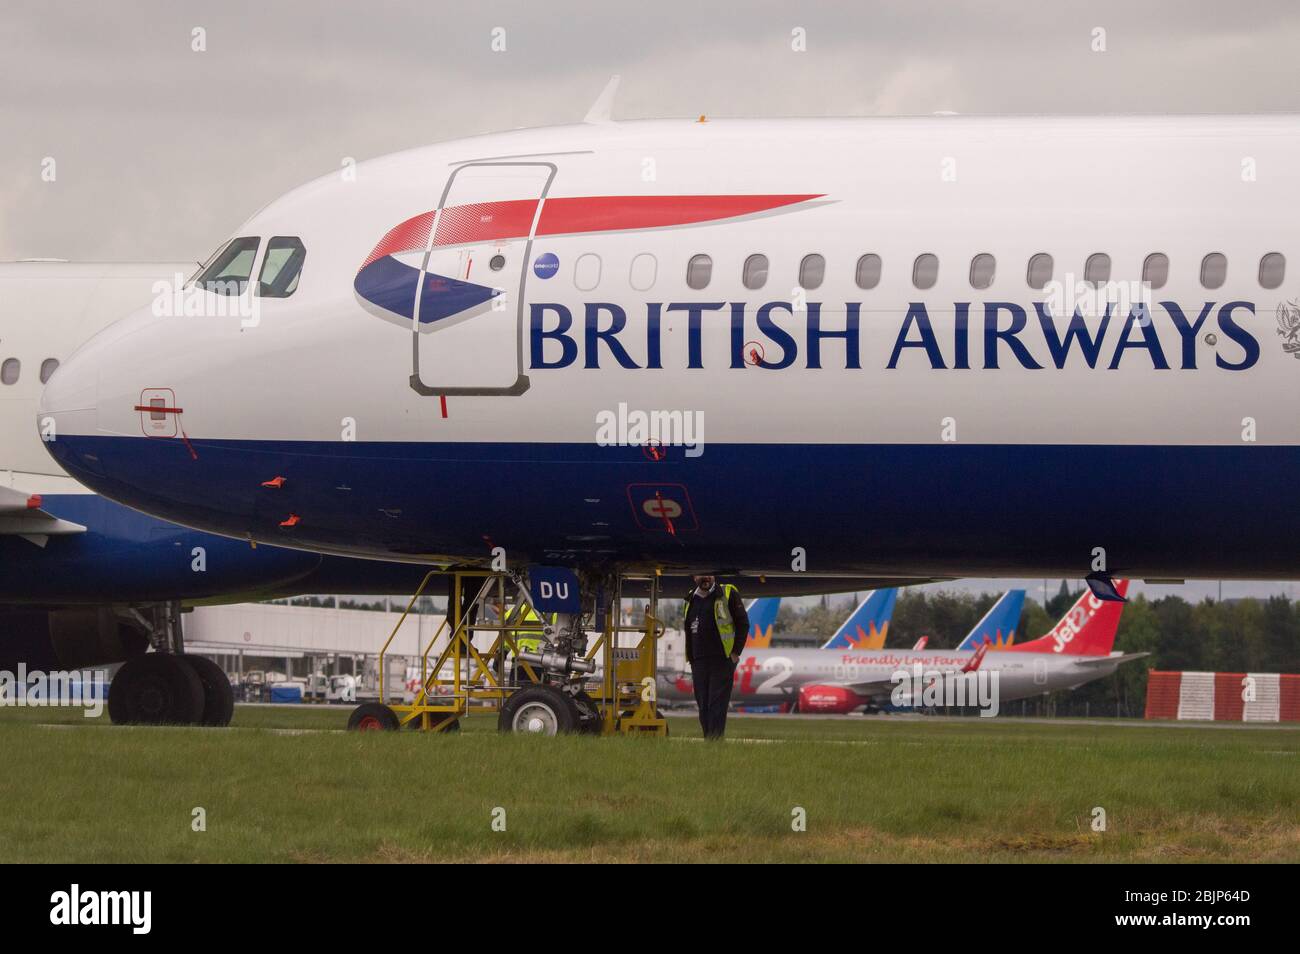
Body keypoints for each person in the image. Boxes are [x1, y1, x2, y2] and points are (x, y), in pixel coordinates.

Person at [683, 575, 749, 740]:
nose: (705, 578)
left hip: (721, 659)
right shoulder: (691, 597)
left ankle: (716, 741)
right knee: (703, 704)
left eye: (708, 574)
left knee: (716, 704)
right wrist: (691, 657)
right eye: (700, 575)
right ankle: (709, 740)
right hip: (699, 660)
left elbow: (743, 623)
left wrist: (735, 652)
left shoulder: (727, 593)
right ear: (694, 577)